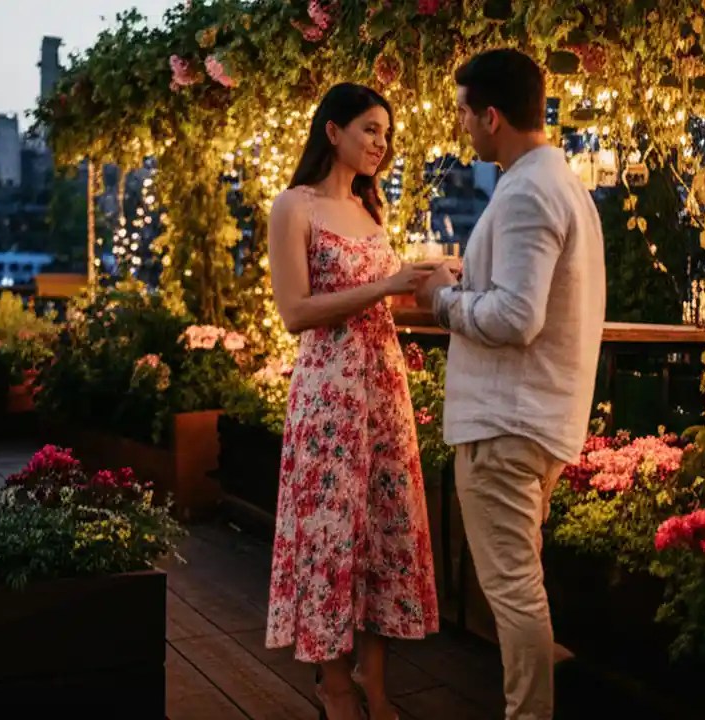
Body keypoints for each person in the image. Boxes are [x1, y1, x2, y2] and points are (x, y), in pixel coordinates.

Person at [415, 48, 607, 720]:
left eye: (465, 112)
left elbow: (517, 316)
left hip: (506, 424)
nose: (461, 125)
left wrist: (443, 300)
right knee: (519, 585)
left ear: (491, 115)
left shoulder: (527, 190)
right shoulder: (556, 182)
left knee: (514, 590)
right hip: (533, 420)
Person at [265, 82, 441, 720]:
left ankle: (375, 678)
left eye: (386, 133)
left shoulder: (374, 209)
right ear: (332, 130)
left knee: (383, 531)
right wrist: (387, 284)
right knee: (331, 533)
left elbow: (383, 298)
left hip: (383, 388)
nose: (381, 144)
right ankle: (334, 686)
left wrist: (427, 283)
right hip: (329, 392)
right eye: (370, 129)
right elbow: (294, 312)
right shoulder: (294, 207)